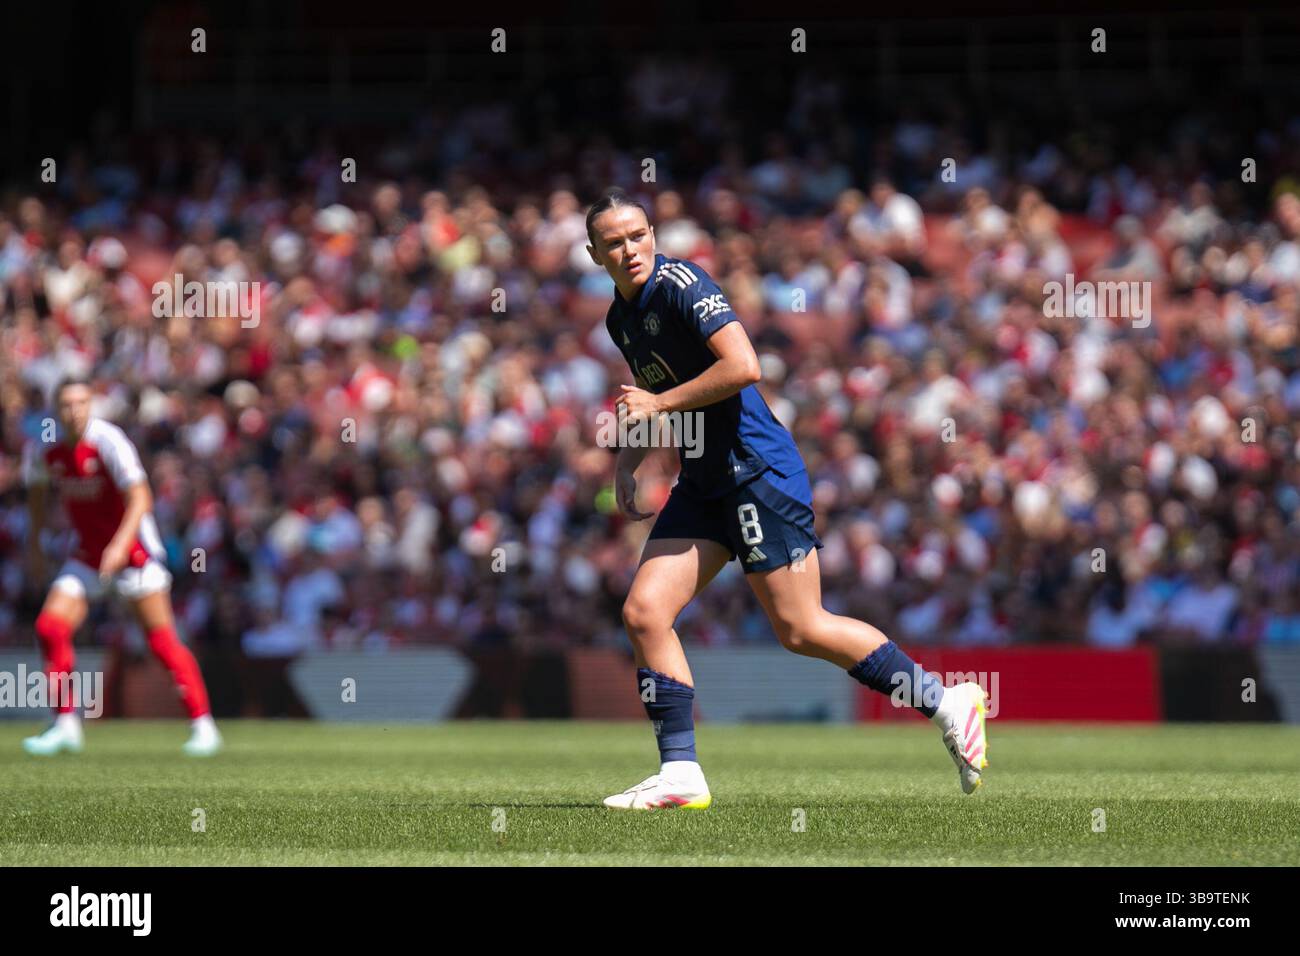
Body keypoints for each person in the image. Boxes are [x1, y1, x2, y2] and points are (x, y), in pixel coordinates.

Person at [586, 189, 987, 809]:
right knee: (643, 613)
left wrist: (658, 407)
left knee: (801, 628)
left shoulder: (683, 284)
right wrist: (630, 460)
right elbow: (652, 388)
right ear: (594, 255)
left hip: (756, 471)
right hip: (703, 480)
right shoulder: (621, 316)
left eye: (637, 235)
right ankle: (681, 774)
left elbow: (745, 366)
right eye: (613, 242)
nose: (629, 248)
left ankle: (944, 701)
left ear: (654, 235)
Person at [22, 379, 222, 756]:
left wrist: (118, 545)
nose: (75, 410)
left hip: (134, 553)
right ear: (56, 408)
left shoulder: (109, 441)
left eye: (82, 402)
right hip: (87, 554)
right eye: (66, 404)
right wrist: (34, 546)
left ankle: (203, 725)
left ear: (91, 405)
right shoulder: (44, 449)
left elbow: (141, 497)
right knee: (50, 627)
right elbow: (36, 496)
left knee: (161, 642)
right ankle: (65, 723)